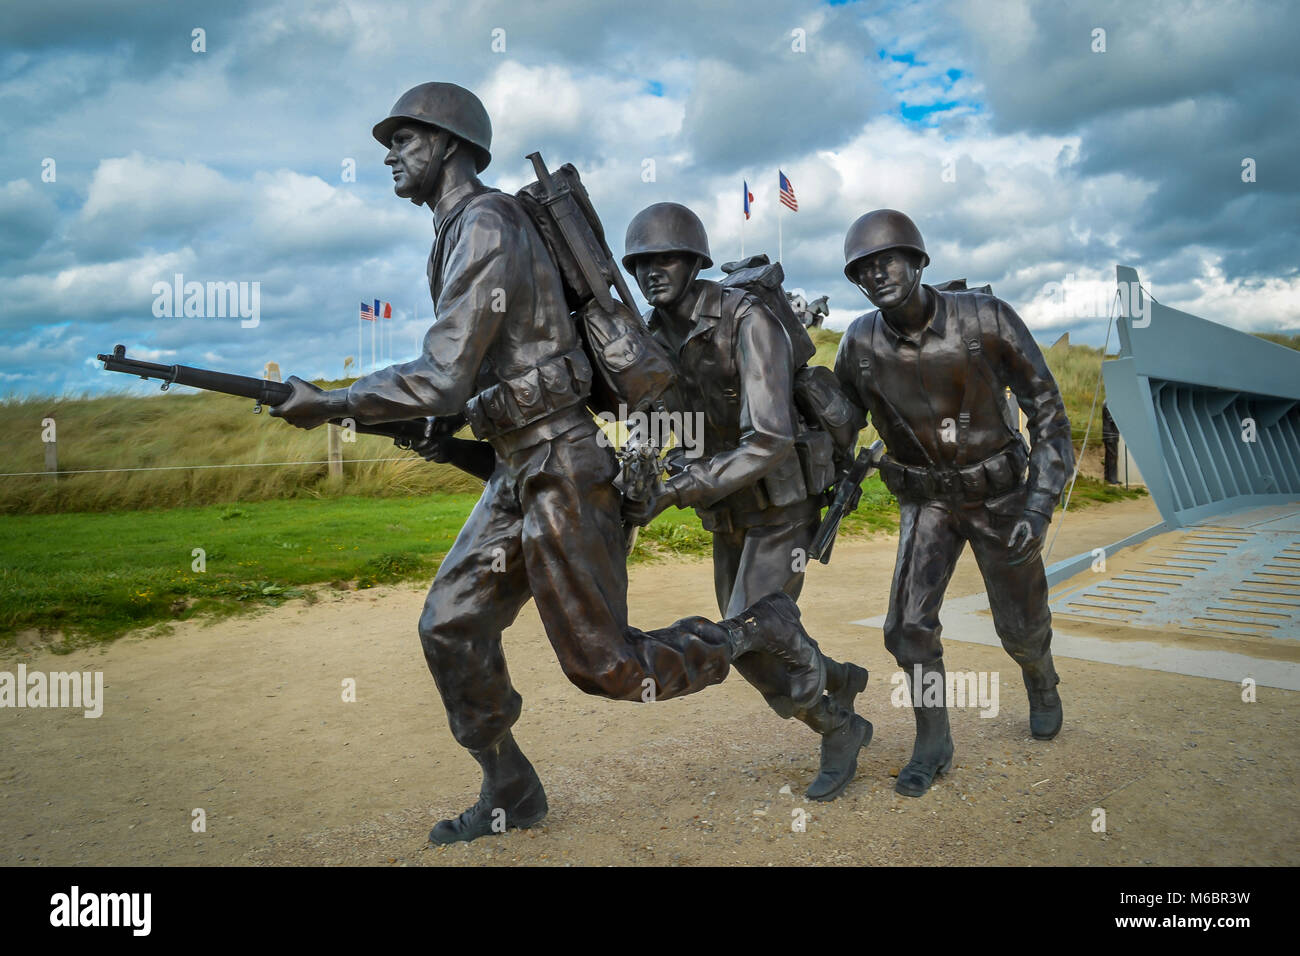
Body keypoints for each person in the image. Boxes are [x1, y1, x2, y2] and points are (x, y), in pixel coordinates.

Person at [270, 82, 832, 843]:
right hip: (518, 464)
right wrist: (432, 424)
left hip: (563, 465)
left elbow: (443, 372)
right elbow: (482, 372)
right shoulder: (455, 229)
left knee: (610, 669)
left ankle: (752, 629)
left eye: (403, 140)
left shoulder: (485, 222)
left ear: (449, 144)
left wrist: (335, 401)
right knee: (451, 624)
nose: (389, 155)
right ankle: (511, 787)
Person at [620, 202, 872, 801]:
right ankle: (837, 675)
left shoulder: (746, 318)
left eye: (666, 259)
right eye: (640, 263)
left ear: (695, 262)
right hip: (726, 510)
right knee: (747, 639)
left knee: (747, 636)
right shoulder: (652, 337)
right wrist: (641, 467)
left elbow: (768, 438)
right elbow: (660, 422)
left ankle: (840, 726)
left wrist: (675, 490)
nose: (652, 272)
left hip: (782, 503)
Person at [831, 209, 1074, 798]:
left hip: (1001, 496)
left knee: (1021, 625)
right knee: (906, 628)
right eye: (863, 268)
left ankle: (1040, 677)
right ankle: (933, 740)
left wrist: (1039, 504)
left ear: (917, 261)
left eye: (888, 260)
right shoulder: (859, 341)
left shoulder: (986, 317)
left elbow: (1047, 410)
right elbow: (839, 426)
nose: (876, 274)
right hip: (927, 502)